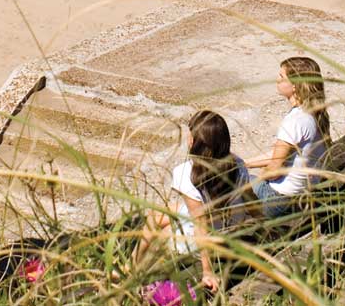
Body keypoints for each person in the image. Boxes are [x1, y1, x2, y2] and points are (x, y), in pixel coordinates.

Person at [134, 110, 250, 294]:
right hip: (230, 233)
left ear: (194, 142)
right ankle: (132, 265)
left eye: (190, 135)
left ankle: (135, 270)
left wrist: (207, 271)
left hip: (205, 242)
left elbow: (200, 225)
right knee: (157, 215)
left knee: (162, 230)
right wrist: (264, 227)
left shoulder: (186, 173)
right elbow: (251, 201)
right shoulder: (238, 164)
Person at [245, 57, 329, 218]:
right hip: (304, 197)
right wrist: (247, 163)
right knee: (245, 171)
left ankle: (259, 229)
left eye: (282, 77)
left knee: (240, 180)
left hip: (281, 202)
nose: (277, 80)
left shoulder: (294, 121)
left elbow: (275, 169)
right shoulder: (314, 114)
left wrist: (261, 175)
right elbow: (280, 153)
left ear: (295, 86)